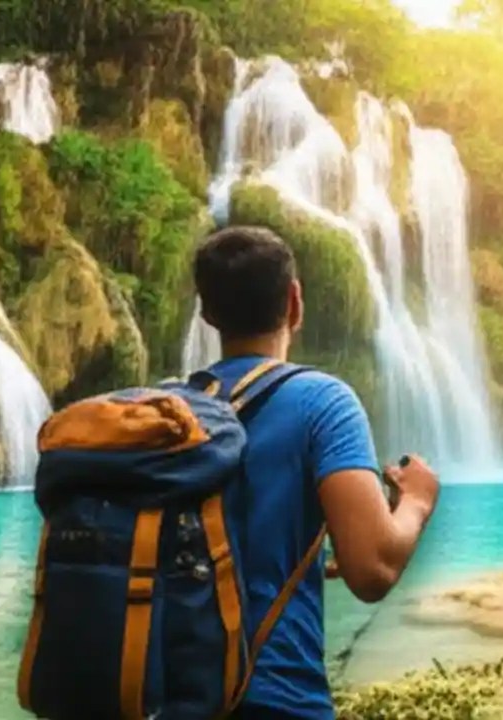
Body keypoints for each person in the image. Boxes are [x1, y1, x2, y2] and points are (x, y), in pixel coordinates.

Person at [192, 224, 441, 719]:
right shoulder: (323, 403)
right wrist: (416, 501)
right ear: (295, 302)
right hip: (278, 701)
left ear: (207, 313)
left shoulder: (172, 409)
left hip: (178, 699)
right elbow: (372, 571)